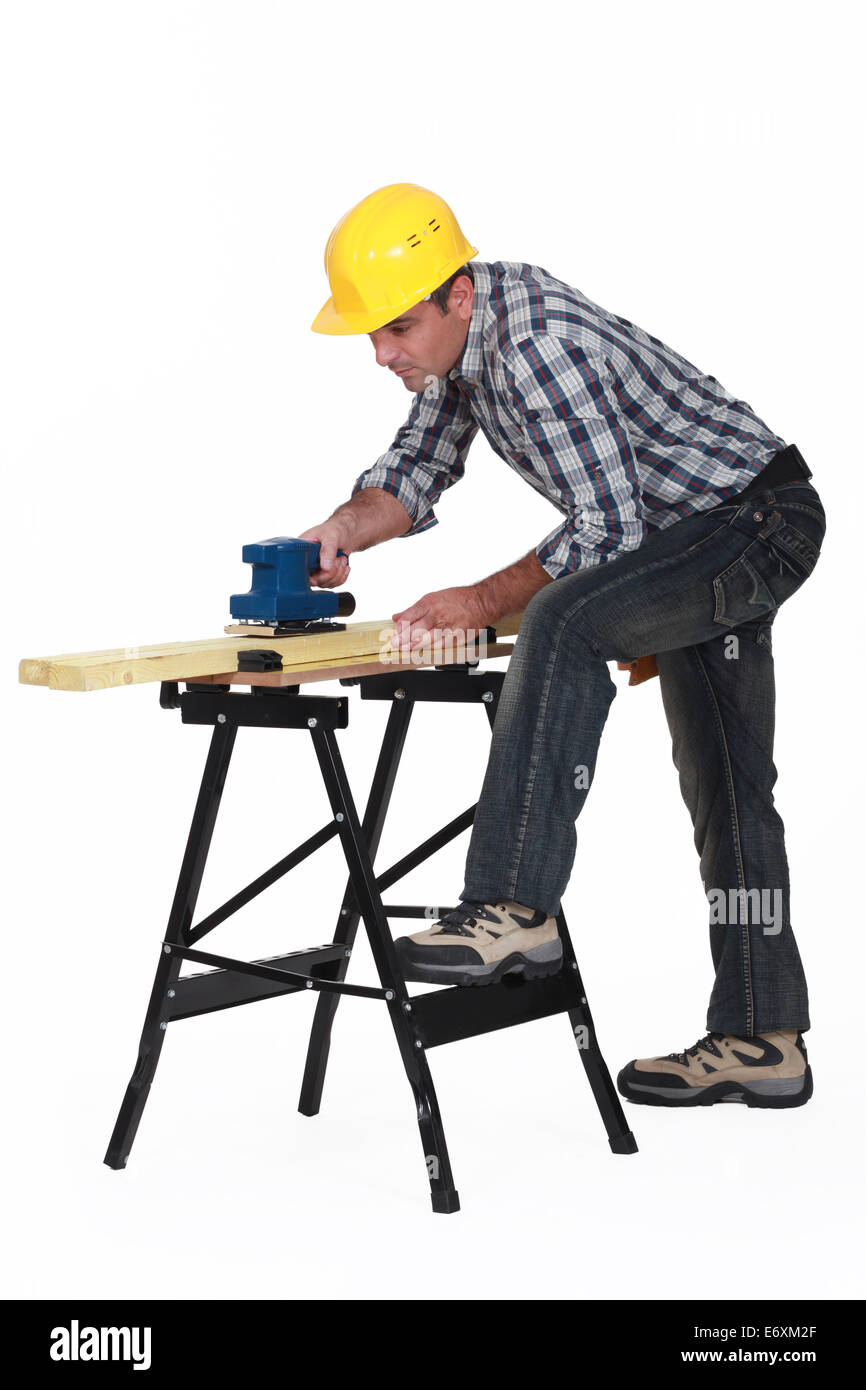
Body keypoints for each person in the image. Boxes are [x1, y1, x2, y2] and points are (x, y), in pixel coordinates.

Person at [303, 182, 826, 1110]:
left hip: (751, 522)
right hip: (693, 539)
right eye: (373, 336)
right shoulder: (462, 348)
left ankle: (512, 905)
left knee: (563, 616)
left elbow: (606, 533)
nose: (383, 354)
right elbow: (418, 469)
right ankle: (764, 1036)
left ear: (457, 296)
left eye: (396, 329)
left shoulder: (538, 347)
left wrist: (479, 599)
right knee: (729, 787)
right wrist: (337, 532)